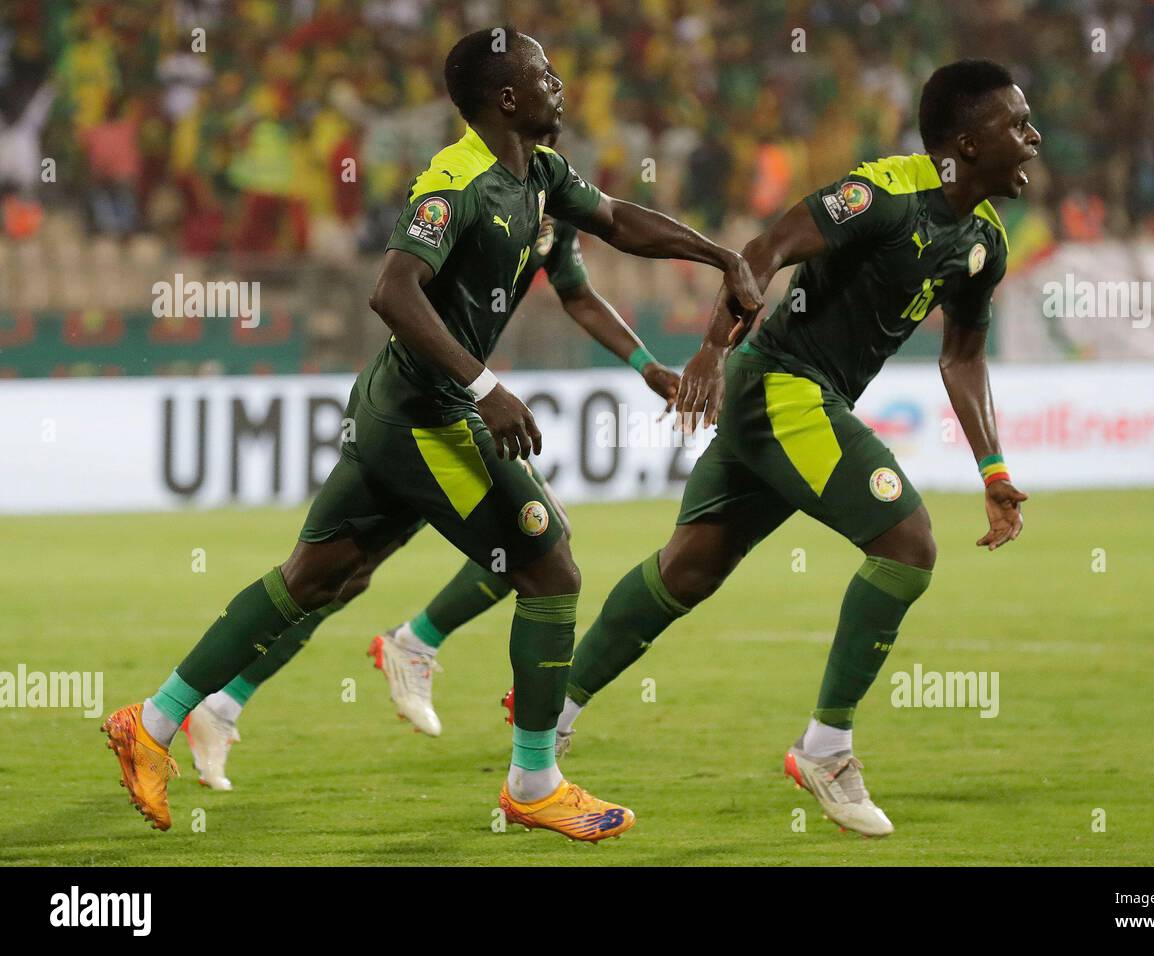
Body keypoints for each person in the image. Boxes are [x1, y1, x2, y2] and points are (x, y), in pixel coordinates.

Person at [102, 27, 760, 843]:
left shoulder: (540, 175)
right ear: (508, 98)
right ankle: (533, 779)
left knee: (317, 578)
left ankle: (157, 721)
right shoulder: (457, 180)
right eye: (545, 74)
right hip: (424, 415)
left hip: (400, 406)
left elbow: (622, 222)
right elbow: (392, 290)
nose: (561, 84)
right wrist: (484, 388)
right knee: (548, 564)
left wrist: (721, 255)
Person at [547, 59, 1039, 837]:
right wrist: (711, 347)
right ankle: (827, 748)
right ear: (968, 141)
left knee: (690, 567)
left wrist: (994, 466)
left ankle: (549, 714)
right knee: (907, 546)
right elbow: (765, 246)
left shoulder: (982, 242)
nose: (1033, 138)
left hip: (792, 400)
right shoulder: (882, 194)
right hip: (779, 383)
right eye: (1017, 125)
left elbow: (963, 357)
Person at [183, 200, 681, 789]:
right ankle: (414, 646)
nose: (555, 108)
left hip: (447, 402)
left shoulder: (553, 195)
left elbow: (575, 291)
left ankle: (221, 705)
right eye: (546, 100)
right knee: (537, 545)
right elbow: (398, 289)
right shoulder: (472, 192)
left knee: (343, 575)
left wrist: (646, 365)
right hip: (422, 409)